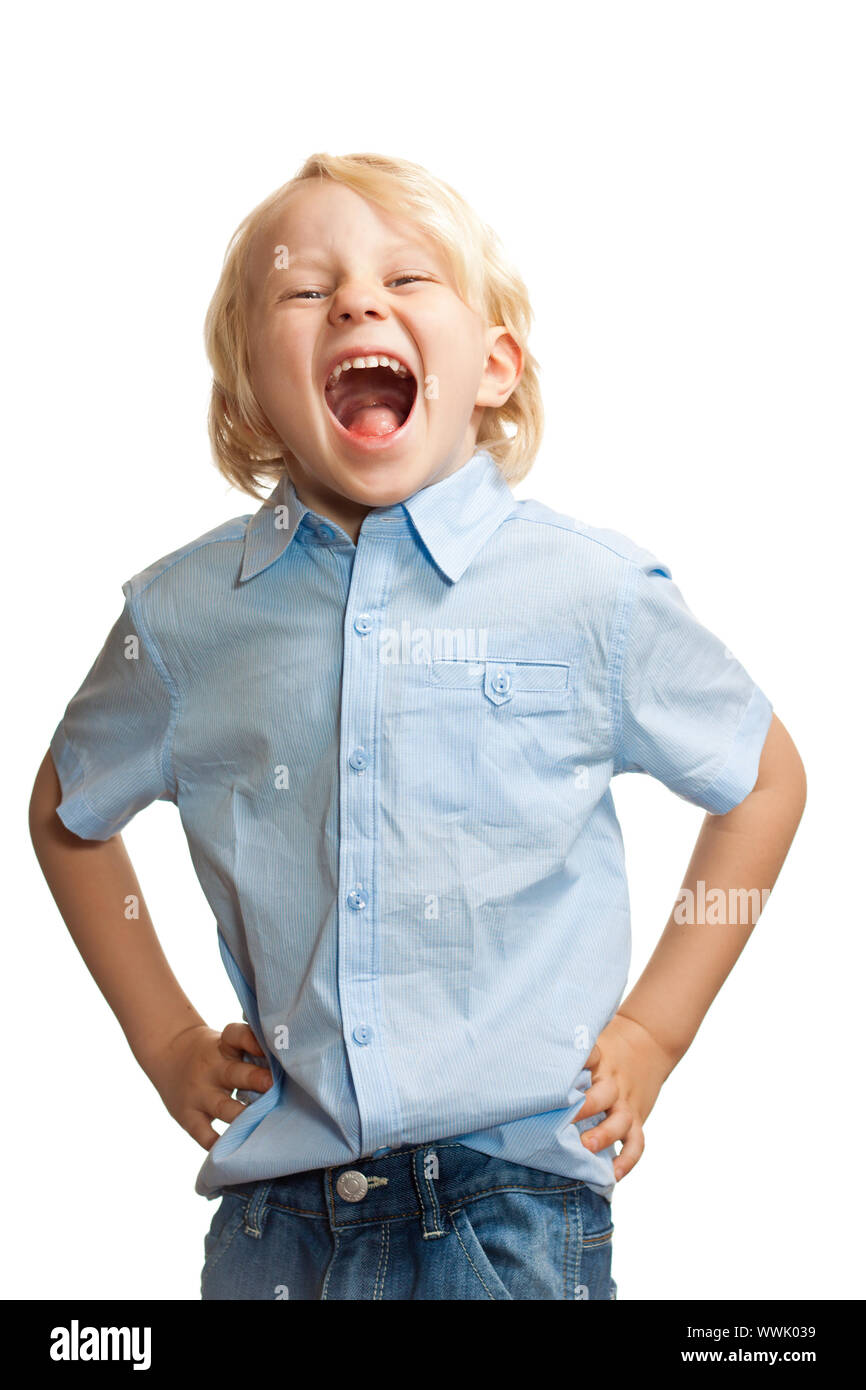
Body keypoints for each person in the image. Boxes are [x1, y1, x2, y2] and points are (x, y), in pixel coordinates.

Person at [29, 152, 807, 1301]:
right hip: (278, 1225)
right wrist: (165, 1043)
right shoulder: (184, 619)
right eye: (304, 291)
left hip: (511, 1211)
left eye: (407, 276)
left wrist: (655, 1029)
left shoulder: (588, 593)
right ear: (249, 383)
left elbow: (760, 780)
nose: (353, 299)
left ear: (493, 365)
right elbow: (67, 811)